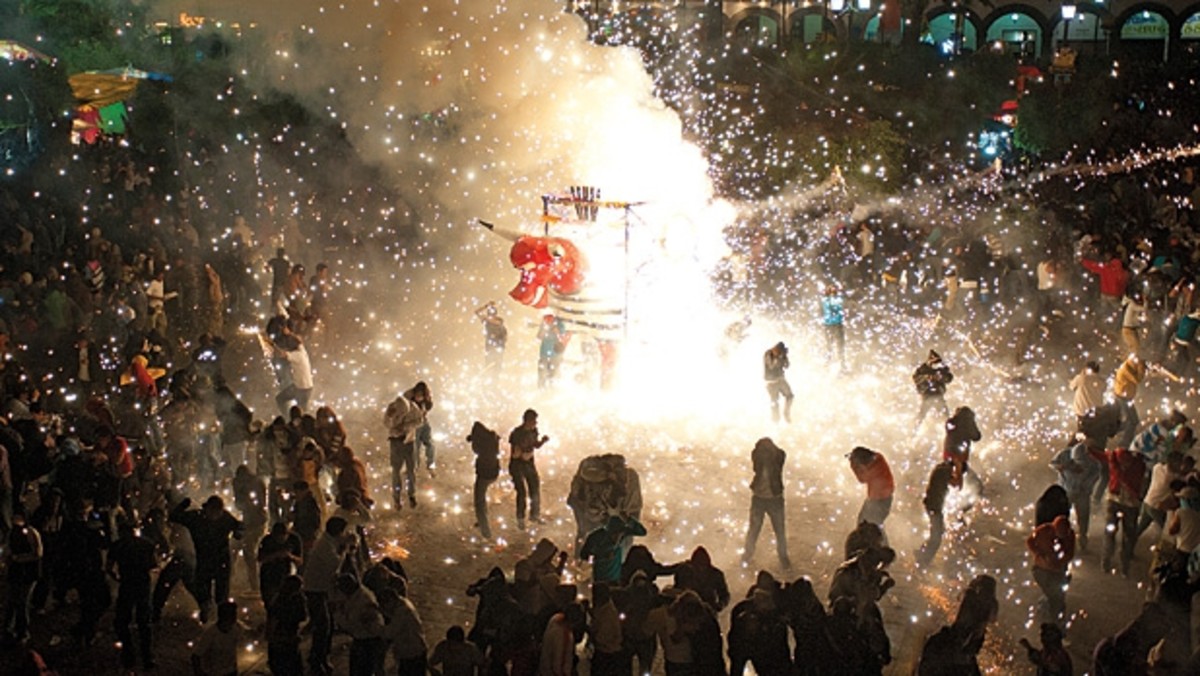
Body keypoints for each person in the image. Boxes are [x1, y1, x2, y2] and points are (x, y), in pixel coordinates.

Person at [169, 496, 243, 623]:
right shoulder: (195, 518)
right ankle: (205, 614)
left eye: (218, 512)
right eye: (212, 511)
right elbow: (174, 516)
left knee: (222, 595)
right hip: (204, 560)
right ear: (206, 509)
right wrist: (184, 504)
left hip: (222, 561)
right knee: (203, 593)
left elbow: (239, 528)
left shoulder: (225, 518)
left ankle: (222, 621)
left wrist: (238, 532)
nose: (215, 515)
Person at [108, 521, 158, 669]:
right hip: (142, 585)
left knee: (122, 621)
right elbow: (153, 564)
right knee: (144, 623)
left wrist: (116, 577)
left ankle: (128, 653)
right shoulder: (147, 544)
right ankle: (147, 658)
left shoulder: (117, 545)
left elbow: (109, 568)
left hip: (127, 585)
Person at [742, 437, 790, 569]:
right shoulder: (758, 457)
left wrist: (769, 452)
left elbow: (780, 455)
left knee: (779, 531)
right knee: (754, 529)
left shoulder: (778, 456)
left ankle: (783, 557)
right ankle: (748, 554)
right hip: (760, 498)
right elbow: (755, 462)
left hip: (774, 499)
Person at [1101, 447, 1147, 576]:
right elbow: (1100, 456)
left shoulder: (1138, 466)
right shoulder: (1114, 461)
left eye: (1126, 463)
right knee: (1110, 532)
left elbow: (1134, 483)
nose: (1124, 465)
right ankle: (1106, 561)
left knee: (1128, 536)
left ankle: (1124, 566)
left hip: (1131, 505)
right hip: (1114, 501)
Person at [1027, 515, 1074, 625]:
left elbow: (1070, 553)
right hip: (1041, 570)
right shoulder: (1043, 530)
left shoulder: (1070, 535)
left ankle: (1055, 619)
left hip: (1058, 572)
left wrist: (1060, 561)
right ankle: (1051, 620)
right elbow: (1030, 541)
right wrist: (1039, 554)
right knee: (1053, 596)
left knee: (1058, 597)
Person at [4, 512, 42, 643]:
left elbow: (38, 553)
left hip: (28, 572)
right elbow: (7, 548)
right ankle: (8, 630)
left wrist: (19, 558)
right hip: (15, 571)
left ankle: (22, 631)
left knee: (22, 602)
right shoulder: (12, 533)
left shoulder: (31, 533)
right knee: (11, 601)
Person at [508, 409, 549, 530]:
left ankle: (534, 515)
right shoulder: (517, 433)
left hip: (529, 464)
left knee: (535, 487)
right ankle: (520, 518)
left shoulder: (533, 431)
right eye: (533, 421)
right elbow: (514, 453)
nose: (535, 423)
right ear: (527, 421)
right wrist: (521, 453)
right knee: (522, 492)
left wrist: (542, 441)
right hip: (517, 466)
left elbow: (535, 445)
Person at [385, 392, 425, 510]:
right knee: (396, 471)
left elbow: (420, 421)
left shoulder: (413, 408)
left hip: (408, 442)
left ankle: (411, 495)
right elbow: (386, 423)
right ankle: (396, 498)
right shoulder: (391, 408)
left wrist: (406, 426)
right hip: (395, 442)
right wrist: (392, 421)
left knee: (411, 470)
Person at [580, 515, 647, 584]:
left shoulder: (622, 535)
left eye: (619, 534)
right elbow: (583, 555)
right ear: (609, 531)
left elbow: (642, 532)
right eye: (614, 534)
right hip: (600, 580)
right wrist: (600, 557)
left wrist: (629, 520)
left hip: (616, 579)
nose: (617, 537)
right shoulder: (596, 537)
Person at [915, 460, 956, 567]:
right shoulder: (945, 471)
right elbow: (957, 484)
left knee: (937, 532)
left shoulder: (941, 468)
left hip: (932, 504)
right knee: (936, 536)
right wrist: (959, 471)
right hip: (934, 506)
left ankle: (922, 553)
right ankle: (923, 560)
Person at [191, 600, 243, 676]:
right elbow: (196, 656)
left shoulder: (235, 628)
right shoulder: (211, 634)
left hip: (230, 672)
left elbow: (248, 635)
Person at [468, 421, 501, 539]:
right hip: (493, 473)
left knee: (479, 502)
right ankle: (482, 521)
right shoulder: (492, 439)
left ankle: (485, 530)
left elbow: (476, 450)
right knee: (482, 499)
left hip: (485, 474)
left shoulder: (484, 448)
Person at [848, 446, 894, 528]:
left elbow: (862, 479)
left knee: (870, 526)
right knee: (869, 524)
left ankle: (876, 540)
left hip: (879, 501)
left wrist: (854, 466)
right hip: (881, 498)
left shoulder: (873, 470)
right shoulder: (879, 457)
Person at [942, 406, 982, 491]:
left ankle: (950, 485)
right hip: (960, 454)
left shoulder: (951, 422)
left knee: (950, 470)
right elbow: (976, 437)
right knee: (961, 473)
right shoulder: (968, 425)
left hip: (948, 452)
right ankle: (956, 488)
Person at [913, 350, 953, 429]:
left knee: (945, 416)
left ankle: (949, 430)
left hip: (938, 395)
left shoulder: (941, 369)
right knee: (921, 416)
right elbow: (916, 378)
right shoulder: (923, 369)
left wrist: (941, 377)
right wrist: (926, 377)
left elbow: (949, 378)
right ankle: (913, 430)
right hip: (927, 395)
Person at [404, 381, 436, 476]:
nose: (419, 397)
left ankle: (431, 465)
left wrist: (424, 410)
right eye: (418, 395)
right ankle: (414, 467)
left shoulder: (427, 396)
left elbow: (429, 406)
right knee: (415, 446)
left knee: (430, 444)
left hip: (423, 422)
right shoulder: (408, 397)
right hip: (414, 424)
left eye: (421, 395)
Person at [1068, 360, 1104, 429]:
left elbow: (1072, 386)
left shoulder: (1081, 378)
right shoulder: (1102, 382)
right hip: (1096, 412)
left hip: (1082, 412)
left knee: (1082, 433)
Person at [763, 342, 793, 423]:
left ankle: (786, 413)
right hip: (771, 382)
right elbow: (771, 366)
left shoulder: (781, 354)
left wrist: (785, 357)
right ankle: (775, 420)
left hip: (780, 380)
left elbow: (787, 366)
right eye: (778, 351)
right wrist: (778, 358)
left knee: (790, 396)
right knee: (774, 401)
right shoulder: (768, 354)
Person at [476, 302, 508, 376]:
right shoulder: (487, 321)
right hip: (490, 345)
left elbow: (497, 323)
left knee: (497, 365)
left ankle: (495, 381)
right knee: (489, 364)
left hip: (498, 345)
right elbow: (477, 312)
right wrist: (486, 305)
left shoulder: (499, 321)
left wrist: (487, 318)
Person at [537, 314, 569, 388]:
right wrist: (544, 330)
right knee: (542, 374)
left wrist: (557, 331)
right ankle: (541, 391)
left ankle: (552, 390)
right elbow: (539, 336)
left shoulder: (560, 325)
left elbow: (563, 339)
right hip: (544, 354)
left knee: (553, 376)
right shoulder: (544, 324)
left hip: (555, 355)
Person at [820, 285, 846, 370]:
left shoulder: (836, 300)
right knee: (831, 345)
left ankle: (841, 363)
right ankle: (830, 363)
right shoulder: (827, 300)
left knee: (837, 345)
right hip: (832, 325)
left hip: (835, 325)